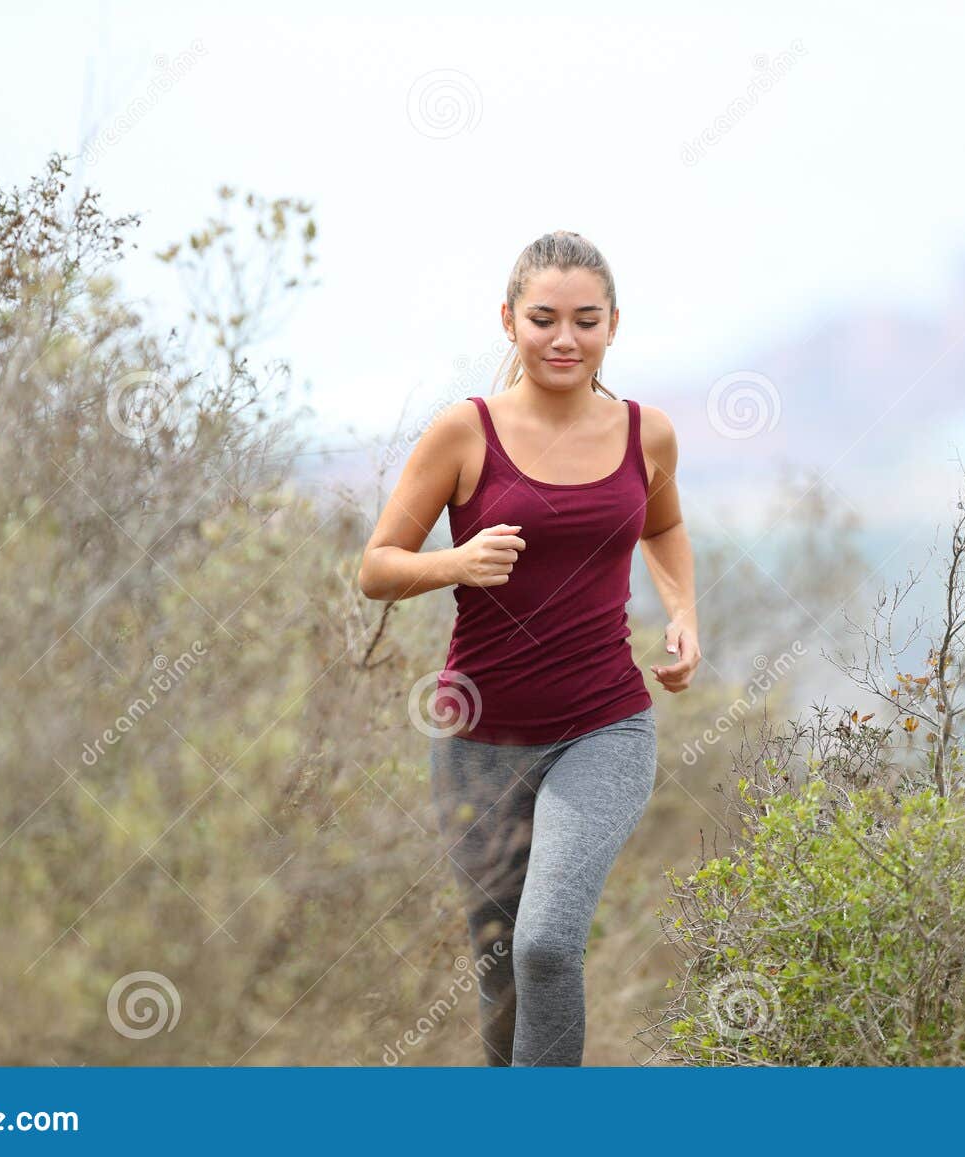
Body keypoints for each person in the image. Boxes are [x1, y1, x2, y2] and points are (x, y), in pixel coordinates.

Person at [358, 230, 701, 1065]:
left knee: (545, 943)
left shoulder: (646, 433)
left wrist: (684, 613)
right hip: (476, 737)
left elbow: (663, 526)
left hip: (604, 726)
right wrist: (456, 562)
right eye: (544, 319)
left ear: (613, 325)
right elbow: (377, 567)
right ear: (509, 320)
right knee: (500, 967)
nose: (564, 339)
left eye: (586, 320)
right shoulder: (464, 432)